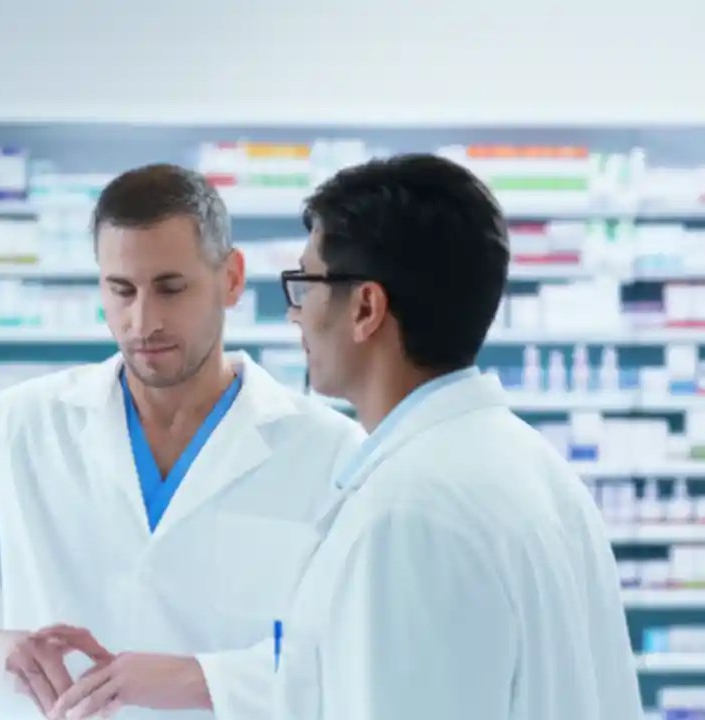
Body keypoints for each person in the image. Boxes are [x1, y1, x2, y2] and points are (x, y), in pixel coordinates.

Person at [0, 163, 365, 720]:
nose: (142, 321)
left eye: (171, 289)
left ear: (230, 279)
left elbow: (354, 649)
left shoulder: (328, 452)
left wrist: (206, 679)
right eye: (121, 290)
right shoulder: (25, 424)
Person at [270, 155, 644, 720]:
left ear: (366, 307)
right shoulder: (530, 462)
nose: (295, 317)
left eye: (306, 286)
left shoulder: (407, 510)